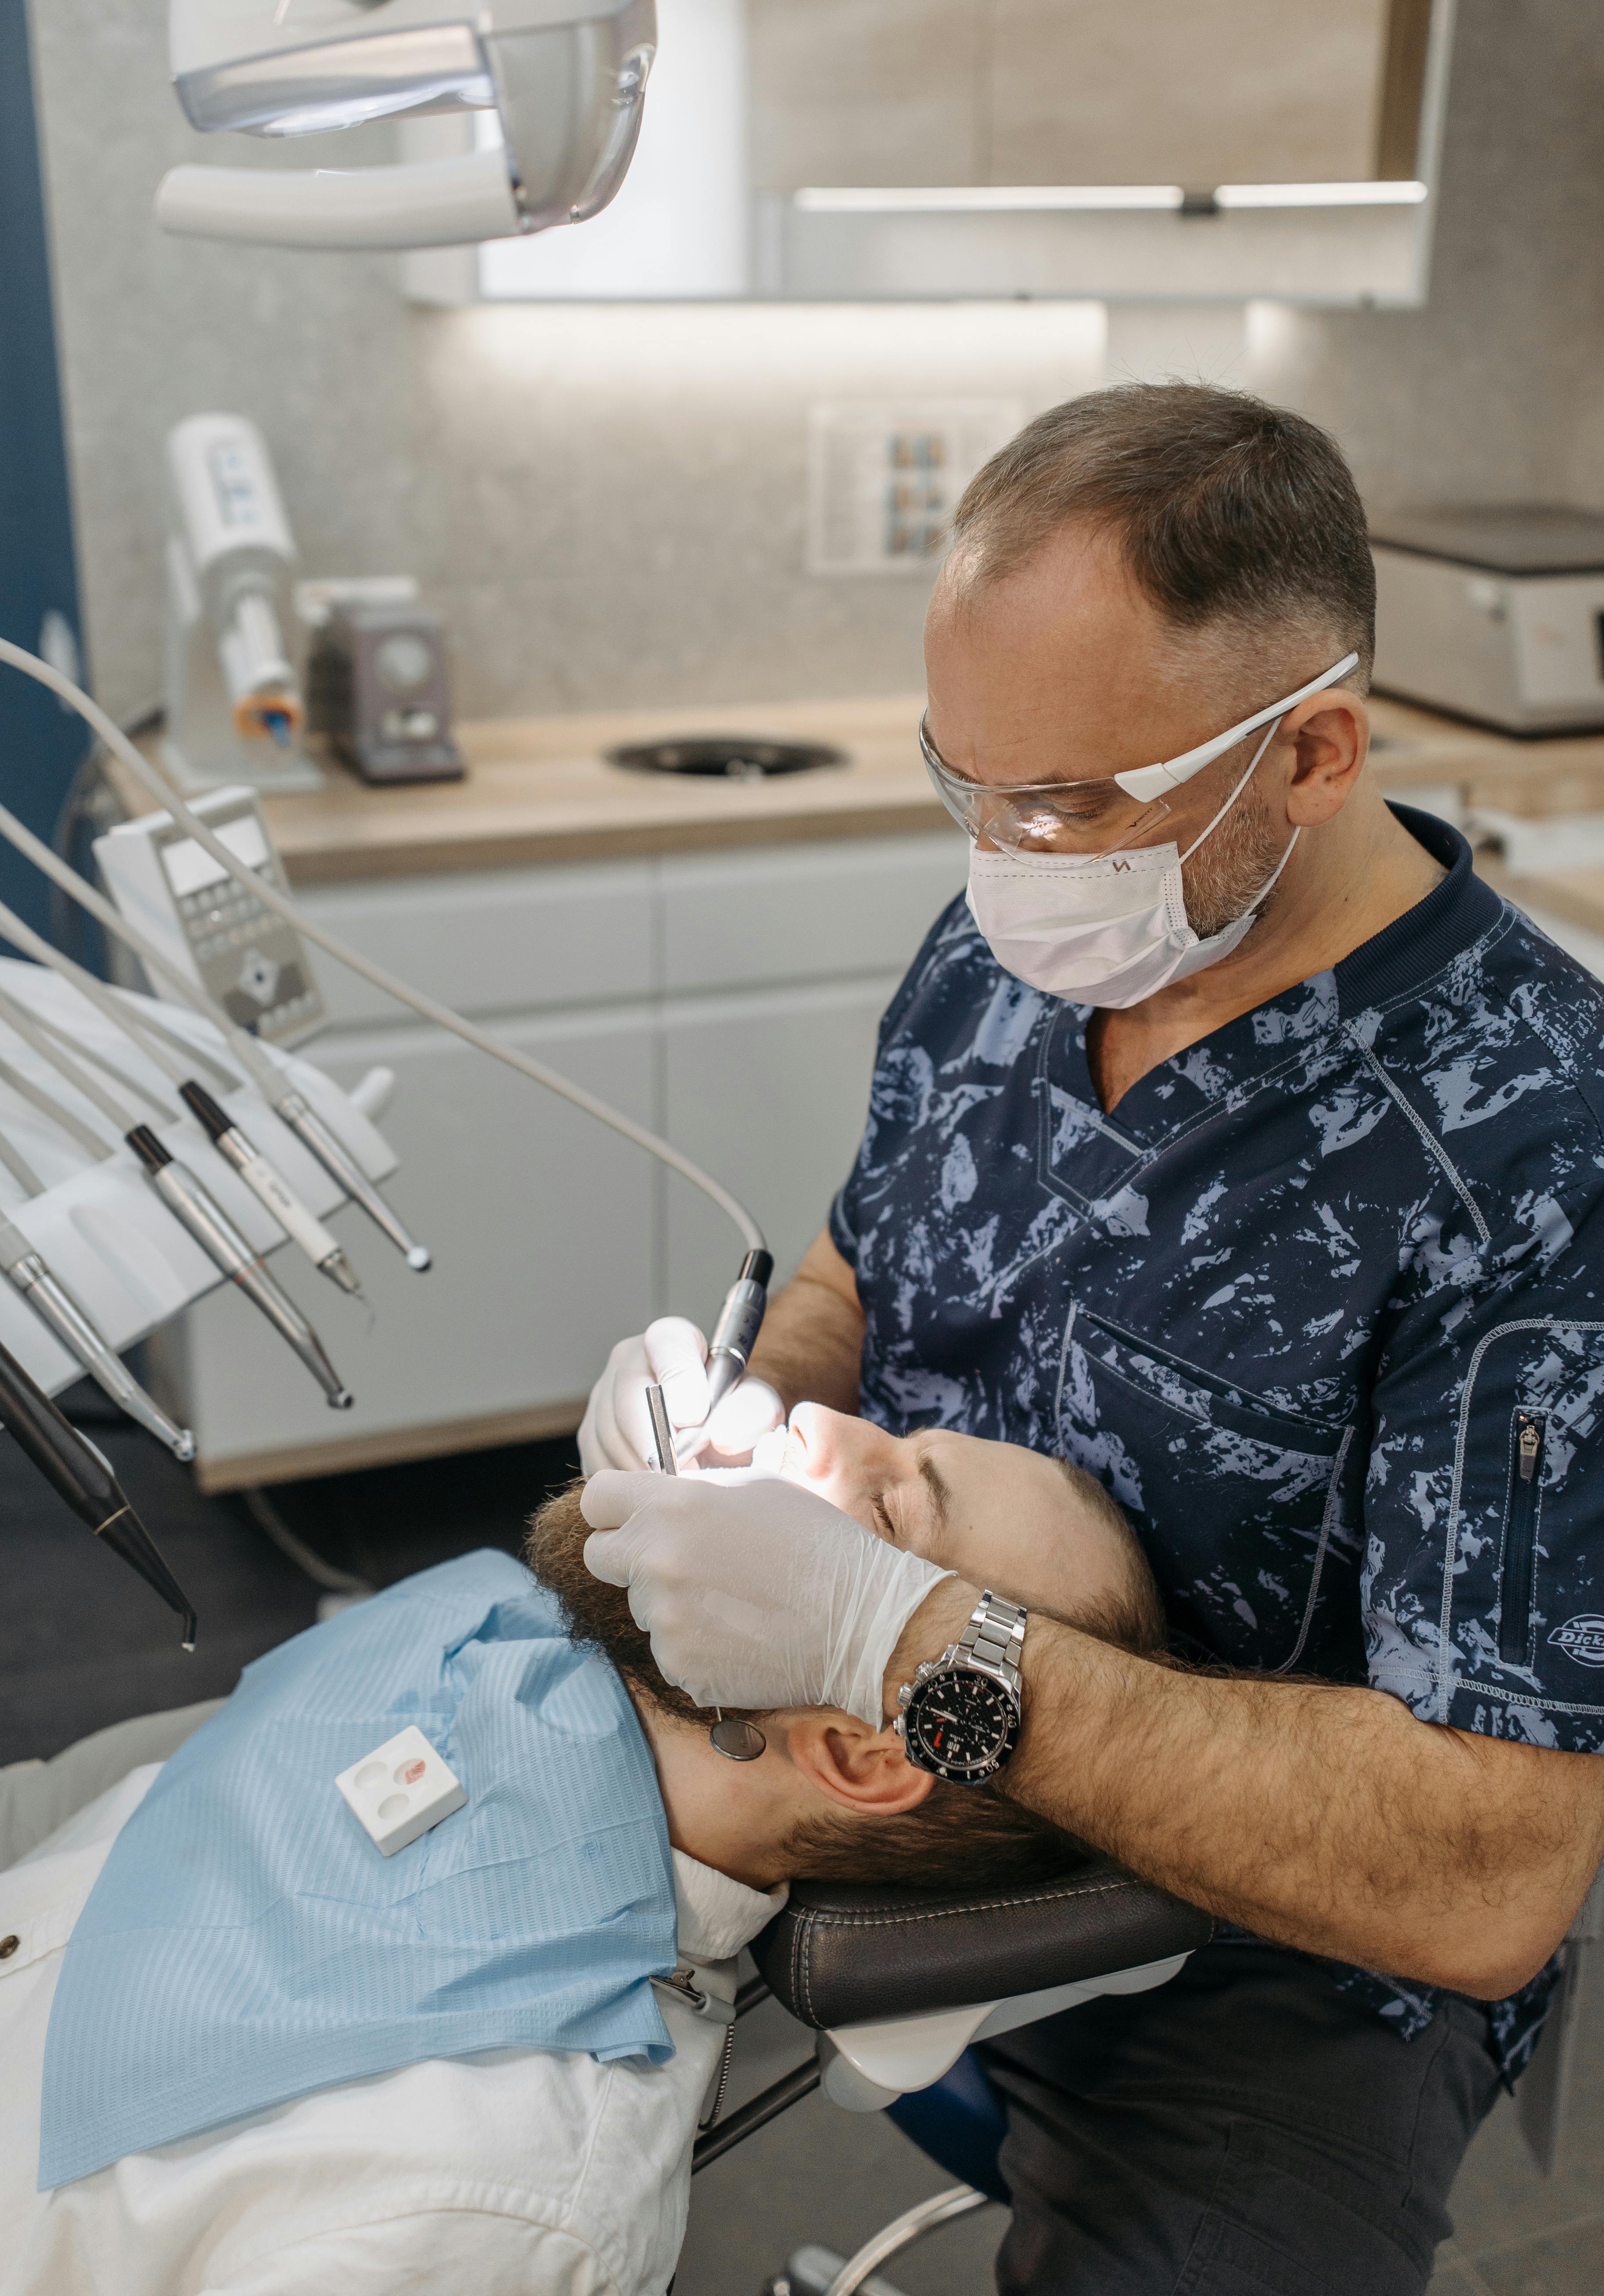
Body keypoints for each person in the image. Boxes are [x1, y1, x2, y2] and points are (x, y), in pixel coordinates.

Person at [580, 384, 1604, 2295]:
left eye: (1063, 800)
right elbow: (867, 1257)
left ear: (1309, 750)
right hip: (861, 1769)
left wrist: (900, 1640)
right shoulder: (1020, 944)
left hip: (1272, 1960)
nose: (1006, 850)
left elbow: (1486, 1874)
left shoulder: (1531, 1157)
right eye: (964, 780)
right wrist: (738, 1401)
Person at [0, 1421, 1147, 2296]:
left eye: (890, 1506)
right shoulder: (491, 1636)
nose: (816, 1420)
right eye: (881, 1424)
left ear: (855, 1751)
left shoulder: (503, 2192)